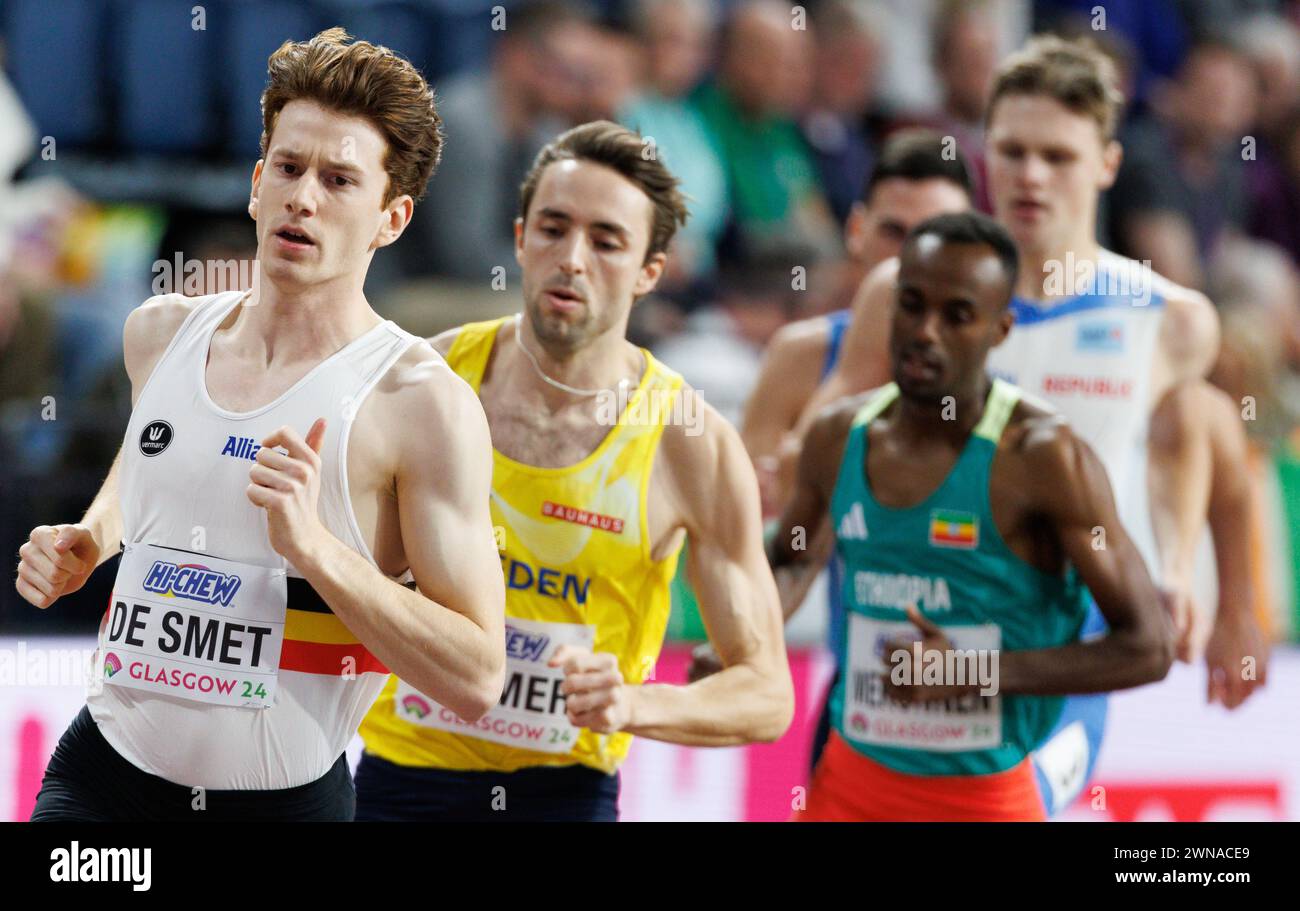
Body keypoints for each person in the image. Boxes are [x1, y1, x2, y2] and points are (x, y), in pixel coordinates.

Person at [17, 29, 506, 821]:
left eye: (341, 180)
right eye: (289, 167)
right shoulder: (159, 332)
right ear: (255, 183)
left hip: (280, 804)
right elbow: (149, 459)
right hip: (101, 783)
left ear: (393, 217)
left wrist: (316, 550)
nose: (303, 197)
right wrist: (92, 536)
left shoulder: (420, 403)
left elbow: (479, 675)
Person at [788, 36, 1267, 816]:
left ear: (1107, 164)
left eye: (1059, 155)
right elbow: (826, 435)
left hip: (1050, 652)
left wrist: (1220, 598)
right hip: (892, 633)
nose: (1030, 175)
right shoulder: (906, 289)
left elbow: (1206, 439)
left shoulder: (1167, 318)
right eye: (1011, 150)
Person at [355, 121, 794, 822]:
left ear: (651, 270)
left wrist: (630, 702)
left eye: (607, 240)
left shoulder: (690, 441)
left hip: (562, 793)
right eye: (554, 229)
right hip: (399, 778)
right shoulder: (425, 383)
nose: (573, 258)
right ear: (521, 237)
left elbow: (766, 690)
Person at [774, 211, 1173, 821]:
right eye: (911, 304)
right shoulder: (836, 436)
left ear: (1000, 329)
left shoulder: (1044, 457)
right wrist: (742, 633)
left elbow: (1148, 647)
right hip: (849, 785)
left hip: (985, 799)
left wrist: (973, 672)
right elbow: (792, 561)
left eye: (957, 315)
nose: (925, 332)